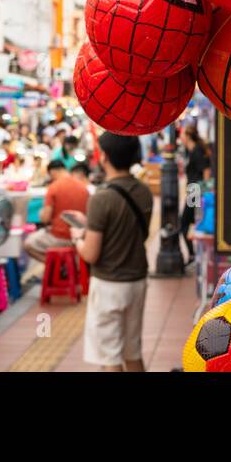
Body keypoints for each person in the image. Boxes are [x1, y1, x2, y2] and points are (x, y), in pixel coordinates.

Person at [71, 132, 152, 372]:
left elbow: (91, 254)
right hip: (137, 281)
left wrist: (78, 238)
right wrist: (91, 224)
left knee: (110, 357)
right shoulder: (144, 191)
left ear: (104, 157)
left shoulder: (101, 198)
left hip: (109, 285)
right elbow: (131, 230)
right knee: (132, 351)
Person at [25, 159, 88, 263]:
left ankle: (58, 267)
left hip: (60, 237)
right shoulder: (83, 187)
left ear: (52, 172)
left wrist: (41, 213)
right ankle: (64, 267)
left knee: (28, 244)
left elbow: (45, 219)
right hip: (80, 238)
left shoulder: (54, 187)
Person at [178, 125, 211, 267]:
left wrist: (203, 192)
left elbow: (206, 171)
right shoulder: (190, 150)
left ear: (188, 136)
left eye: (182, 134)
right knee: (193, 222)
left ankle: (193, 256)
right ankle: (195, 255)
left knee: (184, 223)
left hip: (196, 191)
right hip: (193, 190)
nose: (180, 137)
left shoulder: (196, 151)